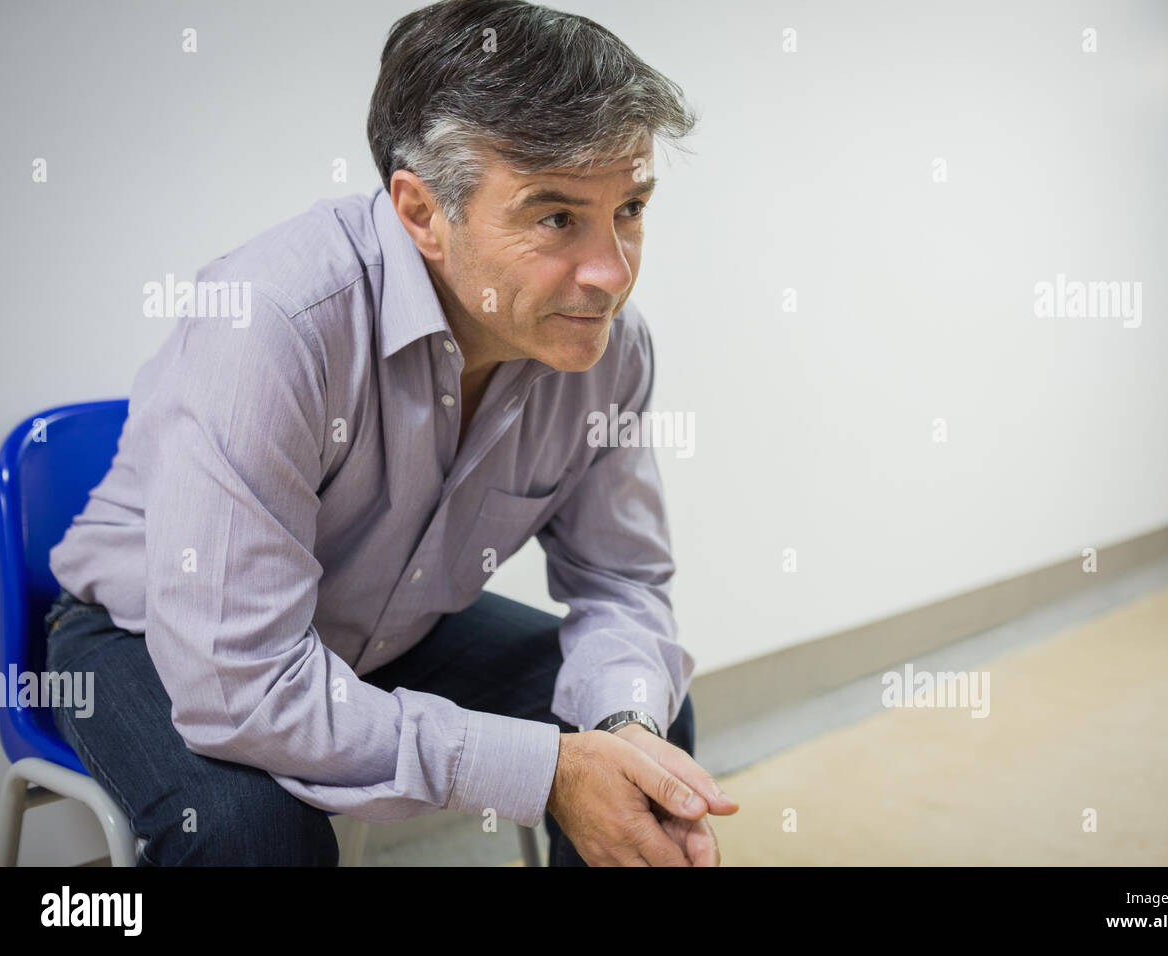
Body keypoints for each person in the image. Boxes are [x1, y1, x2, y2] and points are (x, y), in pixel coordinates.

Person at [44, 0, 738, 866]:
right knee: (251, 834)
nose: (610, 274)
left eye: (629, 208)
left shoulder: (608, 349)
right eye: (556, 217)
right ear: (421, 210)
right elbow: (241, 690)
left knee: (651, 734)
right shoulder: (270, 324)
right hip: (155, 636)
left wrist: (624, 726)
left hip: (385, 627)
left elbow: (622, 583)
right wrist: (549, 769)